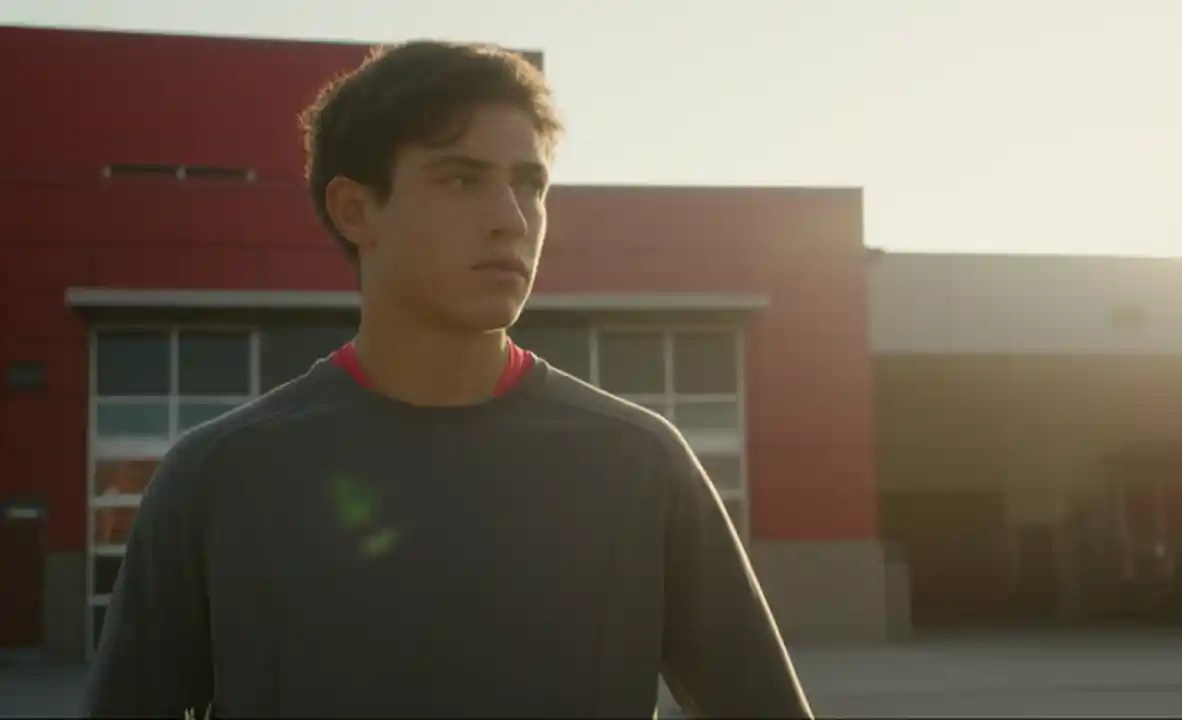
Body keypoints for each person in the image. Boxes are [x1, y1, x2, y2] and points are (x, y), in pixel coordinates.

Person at [85, 40, 812, 719]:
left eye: (529, 185)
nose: (510, 220)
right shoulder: (218, 476)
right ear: (356, 208)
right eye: (462, 180)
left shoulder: (642, 464)